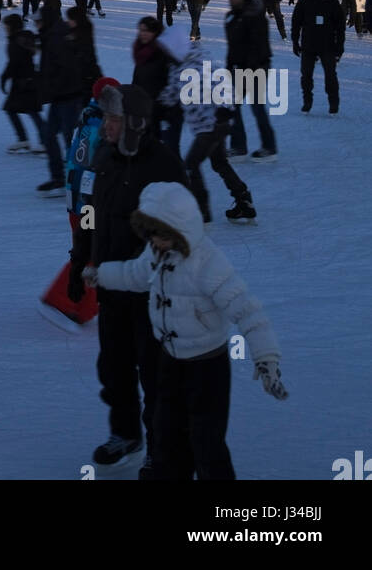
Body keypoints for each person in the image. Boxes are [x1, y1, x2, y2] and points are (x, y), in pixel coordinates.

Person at [88, 180, 287, 480]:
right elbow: (136, 274)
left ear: (180, 229)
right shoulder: (156, 252)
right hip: (168, 362)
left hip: (208, 369)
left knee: (206, 443)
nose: (154, 241)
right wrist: (102, 274)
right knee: (167, 438)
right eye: (150, 233)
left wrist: (266, 357)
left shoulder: (208, 262)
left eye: (161, 234)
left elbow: (246, 309)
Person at [67, 84, 187, 473]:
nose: (105, 128)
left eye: (114, 120)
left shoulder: (163, 164)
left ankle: (160, 447)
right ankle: (126, 433)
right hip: (110, 286)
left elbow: (181, 227)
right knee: (113, 366)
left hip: (153, 291)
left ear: (135, 122)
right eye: (105, 119)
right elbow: (89, 214)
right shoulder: (104, 157)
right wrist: (79, 261)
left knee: (155, 374)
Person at [158, 24, 256, 224]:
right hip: (220, 120)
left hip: (210, 125)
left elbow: (171, 95)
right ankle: (244, 200)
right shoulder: (199, 56)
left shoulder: (186, 66)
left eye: (167, 48)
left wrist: (153, 102)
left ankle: (202, 212)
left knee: (190, 165)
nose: (166, 52)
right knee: (219, 162)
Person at [37, 6, 102, 196]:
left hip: (70, 96)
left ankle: (81, 180)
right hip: (61, 96)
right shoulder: (55, 36)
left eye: (38, 21)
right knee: (50, 136)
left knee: (71, 140)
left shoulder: (61, 38)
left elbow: (70, 68)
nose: (36, 24)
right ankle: (58, 177)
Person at [224, 0, 276, 159]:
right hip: (239, 68)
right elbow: (232, 47)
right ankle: (238, 146)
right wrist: (229, 67)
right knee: (232, 106)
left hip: (257, 67)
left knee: (257, 107)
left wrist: (251, 67)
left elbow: (258, 45)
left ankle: (269, 147)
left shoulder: (255, 16)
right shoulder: (232, 17)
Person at [291, 0, 344, 115]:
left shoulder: (331, 1)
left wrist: (340, 46)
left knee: (330, 75)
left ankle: (333, 103)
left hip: (327, 44)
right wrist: (295, 42)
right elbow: (296, 23)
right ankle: (307, 102)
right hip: (309, 44)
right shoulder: (304, 1)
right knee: (306, 75)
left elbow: (340, 25)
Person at [0, 15, 46, 153]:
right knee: (13, 110)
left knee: (32, 112)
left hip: (25, 82)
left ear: (12, 26)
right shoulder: (23, 38)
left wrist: (4, 77)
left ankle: (44, 142)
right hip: (25, 81)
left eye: (6, 25)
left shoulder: (16, 41)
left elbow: (14, 63)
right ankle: (23, 140)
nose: (5, 28)